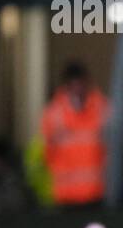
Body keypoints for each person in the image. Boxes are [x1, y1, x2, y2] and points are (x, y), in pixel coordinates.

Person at [40, 62, 109, 207]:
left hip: (97, 193)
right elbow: (46, 153)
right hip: (65, 195)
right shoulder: (54, 114)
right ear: (66, 86)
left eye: (81, 84)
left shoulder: (102, 109)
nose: (77, 89)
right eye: (73, 85)